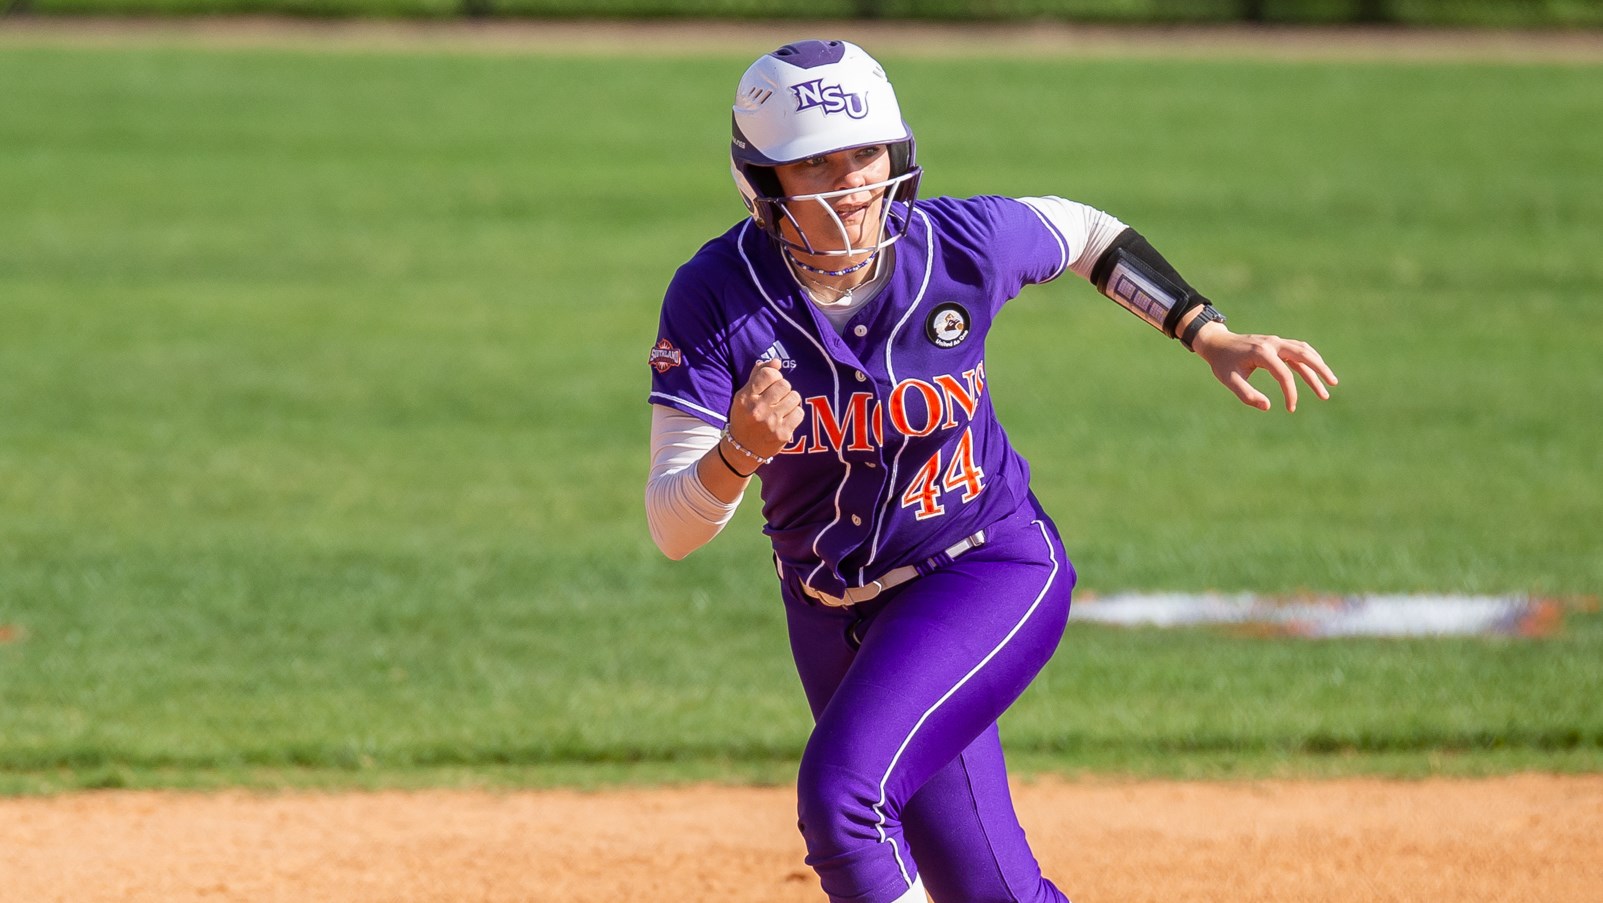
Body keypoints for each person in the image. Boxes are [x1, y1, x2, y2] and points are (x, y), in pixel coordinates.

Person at [644, 40, 1336, 903]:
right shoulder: (716, 295)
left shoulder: (959, 245)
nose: (850, 183)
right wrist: (737, 453)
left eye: (865, 154)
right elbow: (673, 528)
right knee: (990, 892)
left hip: (985, 569)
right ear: (762, 181)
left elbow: (1084, 232)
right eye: (814, 163)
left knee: (842, 803)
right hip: (828, 611)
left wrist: (1204, 330)